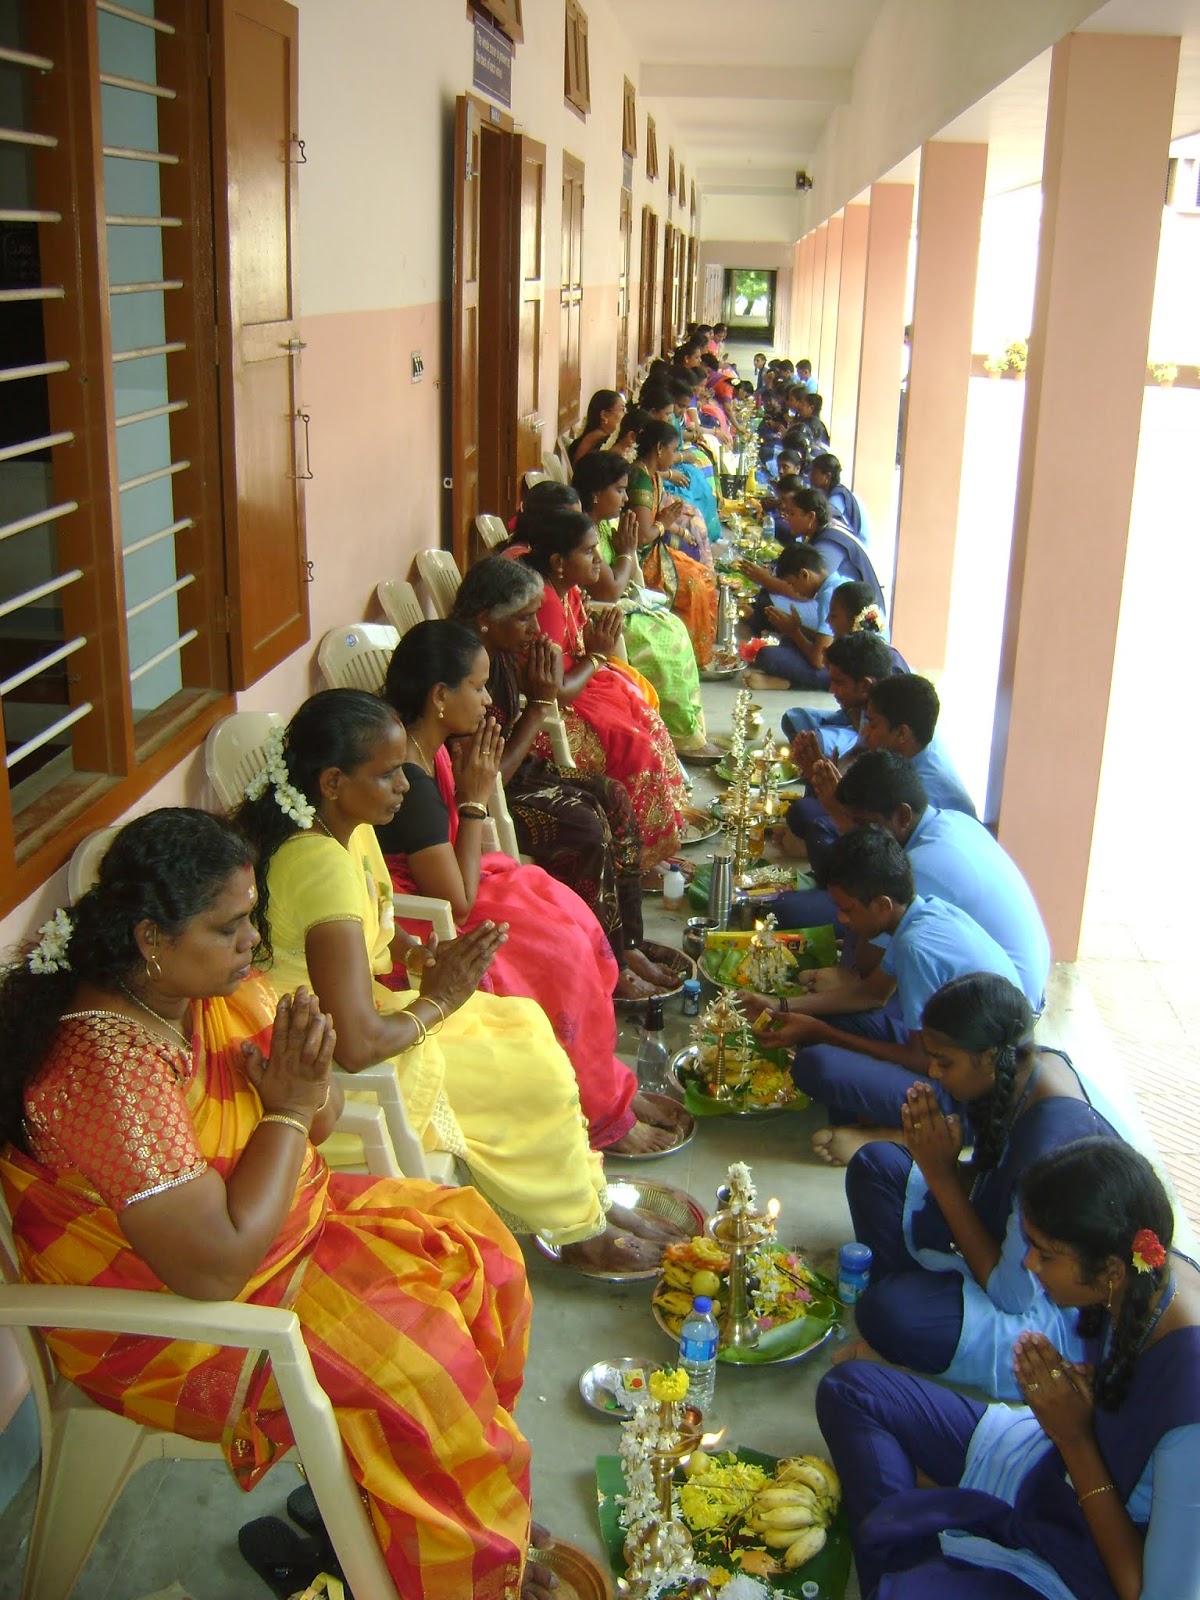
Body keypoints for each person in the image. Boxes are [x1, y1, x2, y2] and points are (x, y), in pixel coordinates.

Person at [0, 808, 554, 1600]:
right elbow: (214, 1267)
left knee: (477, 1248)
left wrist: (302, 1091)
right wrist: (288, 1110)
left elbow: (319, 1115)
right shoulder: (104, 1071)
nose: (252, 945)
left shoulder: (207, 989)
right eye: (229, 928)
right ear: (152, 938)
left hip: (279, 1236)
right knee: (424, 1369)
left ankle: (429, 1504)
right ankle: (460, 1558)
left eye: (251, 920)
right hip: (171, 1323)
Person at [233, 691, 682, 1271]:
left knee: (525, 1024)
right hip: (326, 1054)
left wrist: (422, 954)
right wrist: (439, 999)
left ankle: (584, 1197)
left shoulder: (351, 829)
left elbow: (374, 932)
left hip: (368, 1011)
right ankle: (579, 1228)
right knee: (525, 1070)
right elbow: (359, 1043)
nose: (405, 784)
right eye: (389, 773)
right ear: (332, 782)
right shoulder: (316, 865)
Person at [817, 1138, 1200, 1600]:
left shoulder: (1191, 1404)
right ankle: (925, 1562)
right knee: (851, 1390)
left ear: (1111, 1271)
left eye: (1045, 1254)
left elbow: (1158, 1595)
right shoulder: (1143, 1275)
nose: (1028, 1263)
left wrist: (1075, 1439)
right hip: (1041, 1468)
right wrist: (1081, 1400)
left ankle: (922, 1563)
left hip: (1082, 1561)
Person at [377, 620, 683, 1156]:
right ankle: (597, 1111)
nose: (489, 699)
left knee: (569, 917)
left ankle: (602, 1082)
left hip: (456, 882)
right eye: (476, 687)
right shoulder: (413, 783)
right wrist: (474, 799)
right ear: (440, 697)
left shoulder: (432, 744)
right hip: (427, 922)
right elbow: (457, 902)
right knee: (558, 954)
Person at [838, 973, 1126, 1399]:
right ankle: (921, 1300)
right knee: (876, 1164)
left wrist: (940, 1174)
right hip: (1004, 1249)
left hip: (1049, 1308)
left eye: (944, 1061)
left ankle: (915, 1318)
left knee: (889, 1313)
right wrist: (944, 1160)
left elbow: (1013, 1295)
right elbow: (993, 1181)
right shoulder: (1022, 1069)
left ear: (988, 1057)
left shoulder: (1048, 1152)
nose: (933, 1070)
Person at [447, 557, 671, 995]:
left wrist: (538, 690)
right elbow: (488, 779)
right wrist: (538, 705)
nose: (536, 629)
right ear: (485, 621)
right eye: (525, 619)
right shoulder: (465, 672)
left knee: (614, 795)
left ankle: (627, 942)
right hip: (486, 794)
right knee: (586, 828)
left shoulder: (505, 652)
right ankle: (605, 962)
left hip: (510, 771)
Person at [754, 825, 1021, 1164]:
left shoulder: (916, 947)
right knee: (825, 1024)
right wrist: (781, 1005)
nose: (840, 917)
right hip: (941, 1053)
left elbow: (923, 1060)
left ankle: (920, 1132)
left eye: (848, 909)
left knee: (816, 1064)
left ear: (881, 905)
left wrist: (821, 1033)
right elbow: (872, 994)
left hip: (974, 1095)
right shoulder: (920, 913)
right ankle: (879, 1117)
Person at [517, 505, 686, 870]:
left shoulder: (567, 589)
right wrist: (595, 657)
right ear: (559, 561)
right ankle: (636, 860)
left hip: (579, 690)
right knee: (633, 743)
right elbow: (555, 691)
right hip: (547, 712)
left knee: (644, 712)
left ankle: (650, 845)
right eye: (589, 551)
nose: (599, 558)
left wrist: (595, 653)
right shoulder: (545, 602)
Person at [833, 752, 1051, 1009]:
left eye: (862, 823)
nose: (859, 833)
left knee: (841, 1009)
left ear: (903, 816)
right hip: (1013, 988)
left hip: (996, 1013)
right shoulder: (953, 821)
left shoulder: (921, 866)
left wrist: (844, 977)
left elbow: (867, 969)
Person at [573, 449, 720, 755]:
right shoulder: (583, 532)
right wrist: (627, 552)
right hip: (598, 617)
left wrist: (626, 557)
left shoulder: (603, 524)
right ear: (597, 494)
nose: (625, 499)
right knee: (665, 646)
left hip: (617, 605)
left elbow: (621, 579)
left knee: (676, 628)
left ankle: (688, 733)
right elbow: (610, 590)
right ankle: (677, 735)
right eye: (620, 490)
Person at [862, 674, 977, 817]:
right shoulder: (914, 753)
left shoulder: (920, 796)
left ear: (901, 734)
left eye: (872, 725)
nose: (864, 733)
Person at [741, 544, 844, 691]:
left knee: (768, 656)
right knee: (787, 641)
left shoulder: (829, 596)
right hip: (838, 654)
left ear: (804, 574)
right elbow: (829, 639)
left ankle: (789, 683)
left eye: (792, 583)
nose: (793, 590)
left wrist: (794, 632)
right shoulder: (836, 583)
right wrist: (795, 627)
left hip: (850, 672)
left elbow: (819, 661)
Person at [810, 452, 867, 543]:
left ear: (827, 476)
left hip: (857, 545)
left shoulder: (837, 498)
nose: (810, 476)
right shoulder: (835, 492)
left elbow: (825, 523)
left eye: (814, 472)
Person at [568, 388, 626, 469]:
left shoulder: (597, 434)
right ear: (604, 415)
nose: (625, 414)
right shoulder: (598, 437)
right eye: (622, 409)